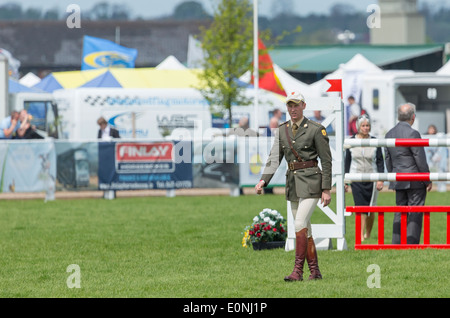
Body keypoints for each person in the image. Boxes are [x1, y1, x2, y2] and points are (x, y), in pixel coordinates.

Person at [255, 91, 332, 281]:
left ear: (304, 106)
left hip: (312, 182)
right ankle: (315, 272)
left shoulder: (316, 129)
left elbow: (326, 161)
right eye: (289, 105)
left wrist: (326, 189)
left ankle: (298, 271)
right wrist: (263, 180)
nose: (292, 109)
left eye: (296, 105)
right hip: (293, 184)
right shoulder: (282, 130)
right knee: (306, 227)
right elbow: (275, 158)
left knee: (298, 224)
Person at [385, 103, 432, 244]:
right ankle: (411, 243)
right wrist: (427, 178)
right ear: (413, 117)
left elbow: (387, 159)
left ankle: (396, 243)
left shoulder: (389, 134)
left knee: (399, 211)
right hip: (414, 179)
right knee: (415, 211)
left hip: (398, 179)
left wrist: (393, 175)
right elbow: (420, 159)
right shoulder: (413, 133)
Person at [344, 114, 384, 241]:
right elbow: (347, 162)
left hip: (372, 178)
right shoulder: (351, 141)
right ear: (358, 127)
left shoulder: (375, 141)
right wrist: (346, 181)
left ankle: (368, 233)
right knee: (360, 207)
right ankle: (360, 235)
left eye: (368, 126)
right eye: (363, 126)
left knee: (371, 208)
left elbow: (379, 161)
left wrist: (380, 179)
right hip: (356, 178)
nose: (366, 128)